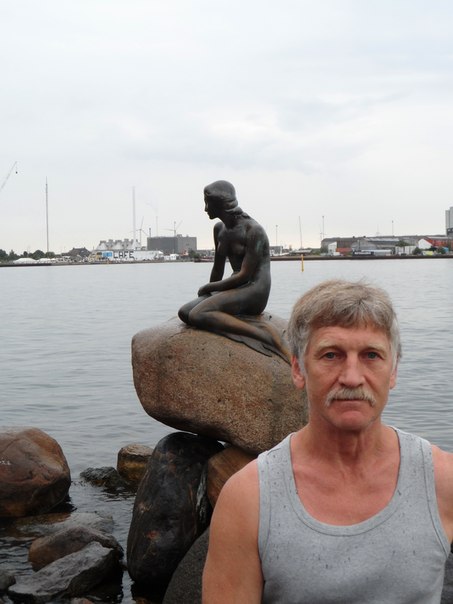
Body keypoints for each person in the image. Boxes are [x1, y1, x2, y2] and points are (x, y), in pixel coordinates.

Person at [202, 279, 453, 603]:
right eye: (331, 355)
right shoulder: (250, 498)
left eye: (371, 355)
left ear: (393, 371)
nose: (352, 377)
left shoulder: (442, 480)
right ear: (298, 369)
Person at [178, 180, 289, 360]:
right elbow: (217, 269)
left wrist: (208, 288)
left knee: (199, 314)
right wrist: (208, 294)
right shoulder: (219, 229)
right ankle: (229, 320)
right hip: (235, 286)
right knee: (185, 313)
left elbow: (245, 275)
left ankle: (264, 335)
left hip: (254, 289)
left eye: (208, 203)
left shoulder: (253, 230)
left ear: (220, 204)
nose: (205, 209)